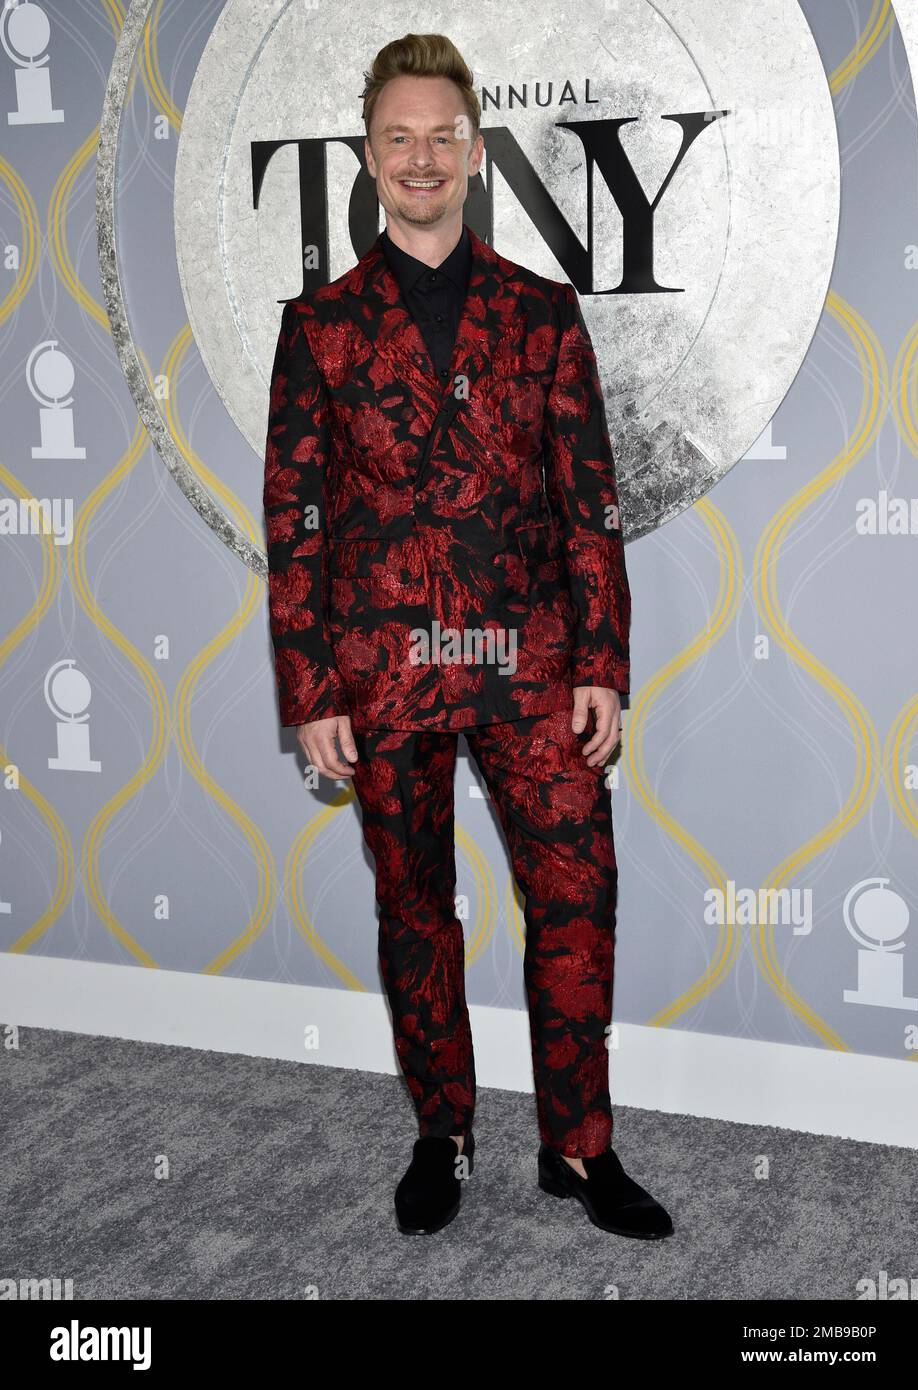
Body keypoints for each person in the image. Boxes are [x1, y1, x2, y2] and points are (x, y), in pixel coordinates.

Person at [262, 31, 672, 1241]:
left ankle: (580, 1148)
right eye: (400, 136)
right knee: (416, 913)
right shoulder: (321, 326)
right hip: (382, 674)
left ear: (475, 151)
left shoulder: (542, 314)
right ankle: (441, 1129)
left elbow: (587, 499)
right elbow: (296, 515)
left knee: (574, 900)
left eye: (444, 134)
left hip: (533, 664)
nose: (422, 156)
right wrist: (311, 685)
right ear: (369, 155)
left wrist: (601, 660)